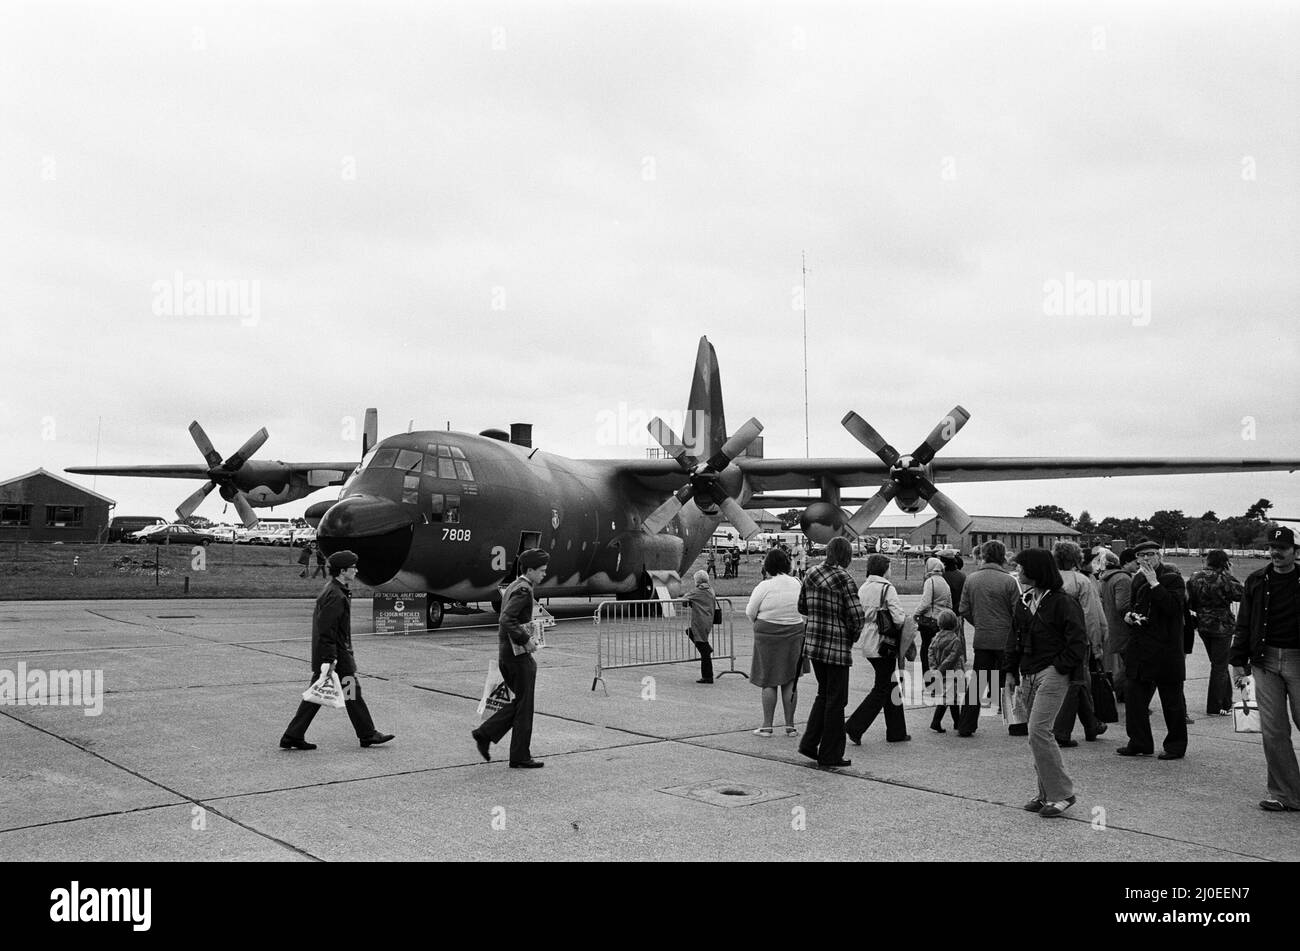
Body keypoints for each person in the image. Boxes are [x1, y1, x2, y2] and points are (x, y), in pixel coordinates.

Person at [281, 550, 395, 751]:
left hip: (335, 656)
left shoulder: (336, 590)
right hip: (336, 658)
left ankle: (294, 735)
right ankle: (366, 733)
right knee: (339, 693)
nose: (356, 570)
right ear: (343, 571)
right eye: (353, 567)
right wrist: (330, 659)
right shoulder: (335, 595)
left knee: (331, 695)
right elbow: (327, 629)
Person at [1002, 548, 1087, 818]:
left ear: (1036, 570)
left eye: (1021, 567)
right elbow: (1013, 637)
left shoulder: (1063, 602)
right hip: (1027, 672)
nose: (1017, 571)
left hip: (1052, 672)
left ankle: (1062, 794)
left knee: (1039, 730)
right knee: (1034, 734)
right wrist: (1009, 671)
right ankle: (1045, 794)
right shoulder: (1024, 600)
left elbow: (1078, 641)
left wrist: (1059, 666)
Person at [1231, 525, 1300, 812]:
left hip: (1298, 659)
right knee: (1274, 730)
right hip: (1266, 660)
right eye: (1272, 547)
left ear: (1295, 553)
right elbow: (1244, 621)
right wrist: (1237, 660)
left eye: (1283, 548)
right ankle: (1286, 794)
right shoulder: (1257, 581)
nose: (1276, 552)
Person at [472, 548, 549, 768]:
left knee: (521, 703)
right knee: (525, 706)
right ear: (531, 570)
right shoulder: (524, 590)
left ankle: (487, 735)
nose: (544, 574)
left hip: (507, 655)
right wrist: (526, 640)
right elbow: (507, 619)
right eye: (541, 570)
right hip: (517, 656)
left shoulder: (514, 585)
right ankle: (517, 755)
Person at [797, 537, 866, 769]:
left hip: (814, 643)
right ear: (846, 555)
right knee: (837, 700)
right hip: (836, 645)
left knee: (824, 694)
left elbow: (802, 607)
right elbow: (856, 615)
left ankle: (809, 742)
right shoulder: (844, 578)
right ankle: (830, 753)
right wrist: (852, 633)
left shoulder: (811, 573)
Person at [1116, 540, 1188, 760]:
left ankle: (1175, 746)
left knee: (1172, 701)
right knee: (1134, 696)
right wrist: (1129, 615)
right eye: (1141, 556)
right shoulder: (1137, 578)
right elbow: (1135, 605)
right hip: (1141, 647)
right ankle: (1139, 741)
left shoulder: (1172, 579)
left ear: (1159, 555)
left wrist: (1155, 584)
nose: (1146, 559)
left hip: (1166, 649)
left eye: (1150, 555)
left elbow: (1174, 609)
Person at [956, 540, 1022, 737]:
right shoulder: (1010, 581)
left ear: (983, 555)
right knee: (1010, 679)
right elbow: (1017, 612)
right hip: (1005, 638)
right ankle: (1016, 723)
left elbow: (963, 609)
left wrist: (979, 622)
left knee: (978, 682)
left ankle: (966, 724)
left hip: (983, 636)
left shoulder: (972, 579)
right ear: (1003, 556)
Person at [847, 554, 910, 744]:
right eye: (889, 567)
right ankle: (855, 726)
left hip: (867, 640)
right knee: (882, 688)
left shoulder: (864, 587)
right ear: (884, 568)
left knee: (890, 684)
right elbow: (898, 618)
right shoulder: (887, 588)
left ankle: (897, 731)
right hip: (884, 644)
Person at [1051, 541, 1108, 747]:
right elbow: (1091, 615)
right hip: (1077, 641)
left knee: (1078, 682)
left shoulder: (1048, 581)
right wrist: (1097, 643)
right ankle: (1064, 730)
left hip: (1051, 641)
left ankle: (1092, 724)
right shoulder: (1081, 581)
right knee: (1077, 682)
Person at [747, 548, 806, 736]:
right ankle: (790, 726)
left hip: (768, 635)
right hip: (795, 632)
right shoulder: (797, 583)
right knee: (790, 680)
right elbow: (804, 608)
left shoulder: (764, 586)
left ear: (768, 566)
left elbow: (750, 612)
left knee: (768, 680)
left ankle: (767, 725)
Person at [1188, 549, 1244, 716]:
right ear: (1225, 563)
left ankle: (1226, 701)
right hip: (1222, 626)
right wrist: (1231, 575)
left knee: (1218, 663)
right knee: (1219, 665)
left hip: (1203, 624)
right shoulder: (1224, 578)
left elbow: (1189, 601)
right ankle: (1215, 704)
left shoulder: (1194, 577)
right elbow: (1240, 595)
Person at [1096, 548, 1134, 705]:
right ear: (1125, 563)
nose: (1138, 564)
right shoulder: (1123, 579)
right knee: (1130, 664)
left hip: (1111, 625)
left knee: (1124, 664)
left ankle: (1120, 692)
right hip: (1123, 628)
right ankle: (1123, 693)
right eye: (1135, 561)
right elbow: (1123, 605)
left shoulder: (1106, 578)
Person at [927, 609, 965, 733]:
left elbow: (930, 653)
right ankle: (936, 722)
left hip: (940, 674)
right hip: (952, 673)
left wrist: (934, 669)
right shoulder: (955, 640)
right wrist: (942, 668)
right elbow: (953, 657)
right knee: (949, 699)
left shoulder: (935, 638)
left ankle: (957, 723)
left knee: (950, 699)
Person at [915, 558, 953, 676]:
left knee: (926, 649)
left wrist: (916, 613)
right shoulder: (945, 583)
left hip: (928, 620)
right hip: (940, 621)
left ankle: (927, 676)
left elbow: (925, 602)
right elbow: (949, 604)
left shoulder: (930, 581)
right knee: (938, 651)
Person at [682, 569, 717, 684]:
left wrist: (689, 601)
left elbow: (684, 598)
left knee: (703, 650)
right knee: (694, 635)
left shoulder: (698, 591)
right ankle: (707, 649)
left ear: (697, 580)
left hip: (700, 621)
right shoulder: (710, 590)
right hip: (708, 620)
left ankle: (707, 676)